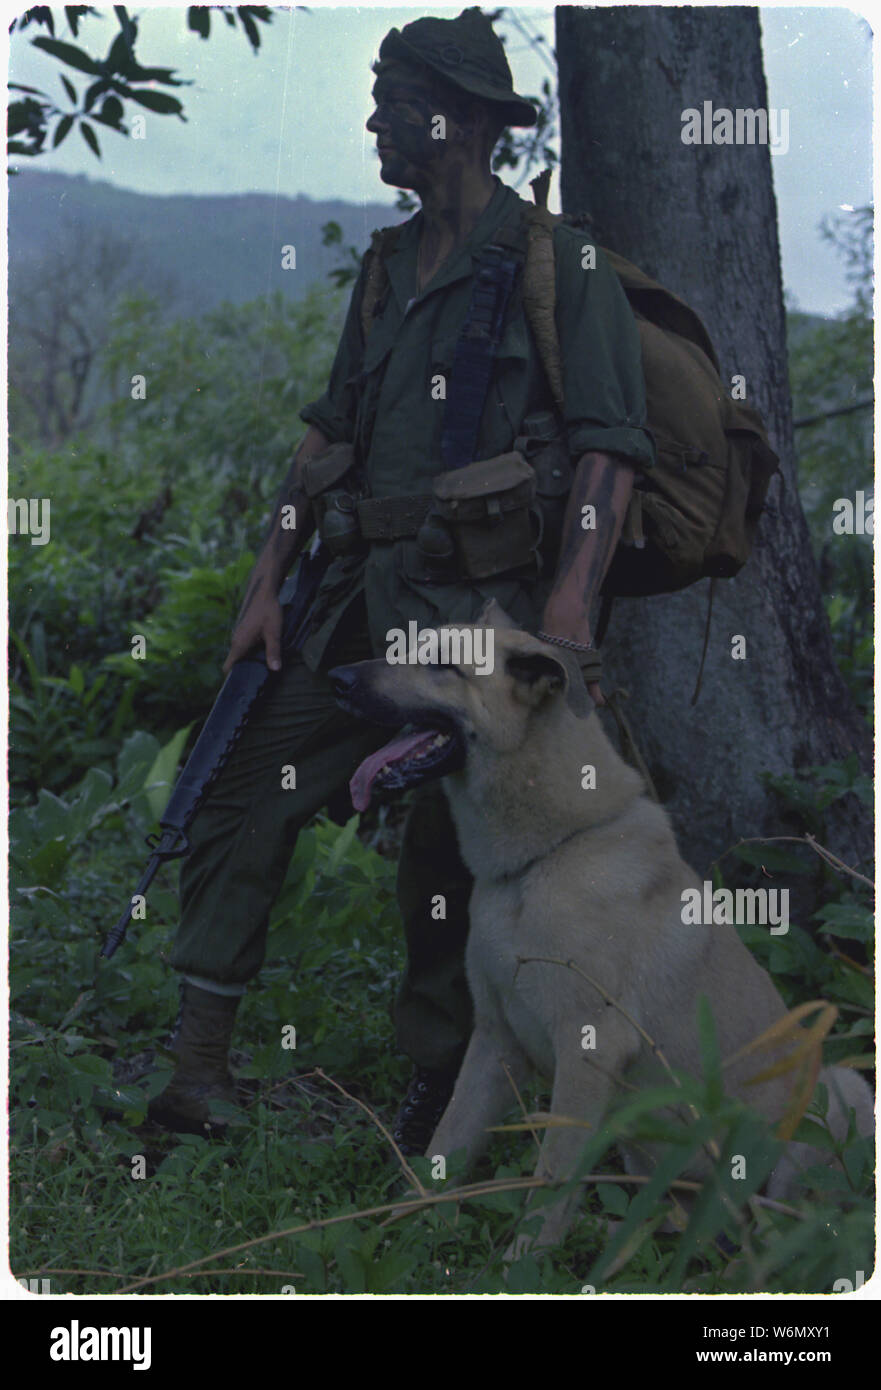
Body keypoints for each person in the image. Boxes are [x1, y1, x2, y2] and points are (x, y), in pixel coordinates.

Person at [147, 7, 656, 1150]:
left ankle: (439, 1092)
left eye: (394, 100)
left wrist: (569, 604)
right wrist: (265, 580)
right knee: (241, 791)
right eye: (373, 98)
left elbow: (607, 449)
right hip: (353, 610)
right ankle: (196, 1070)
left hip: (484, 624)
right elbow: (322, 441)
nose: (374, 121)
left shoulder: (555, 262)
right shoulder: (383, 270)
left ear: (463, 119)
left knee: (449, 856)